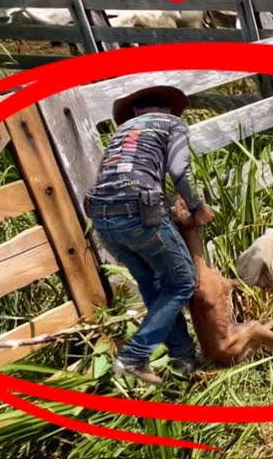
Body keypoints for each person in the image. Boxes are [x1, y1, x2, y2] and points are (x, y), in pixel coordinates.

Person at [84, 85, 214, 385]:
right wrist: (196, 206)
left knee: (155, 286)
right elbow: (179, 168)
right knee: (183, 281)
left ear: (134, 112)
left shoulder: (120, 133)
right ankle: (134, 356)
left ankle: (184, 363)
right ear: (167, 109)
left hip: (103, 219)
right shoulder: (172, 124)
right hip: (138, 213)